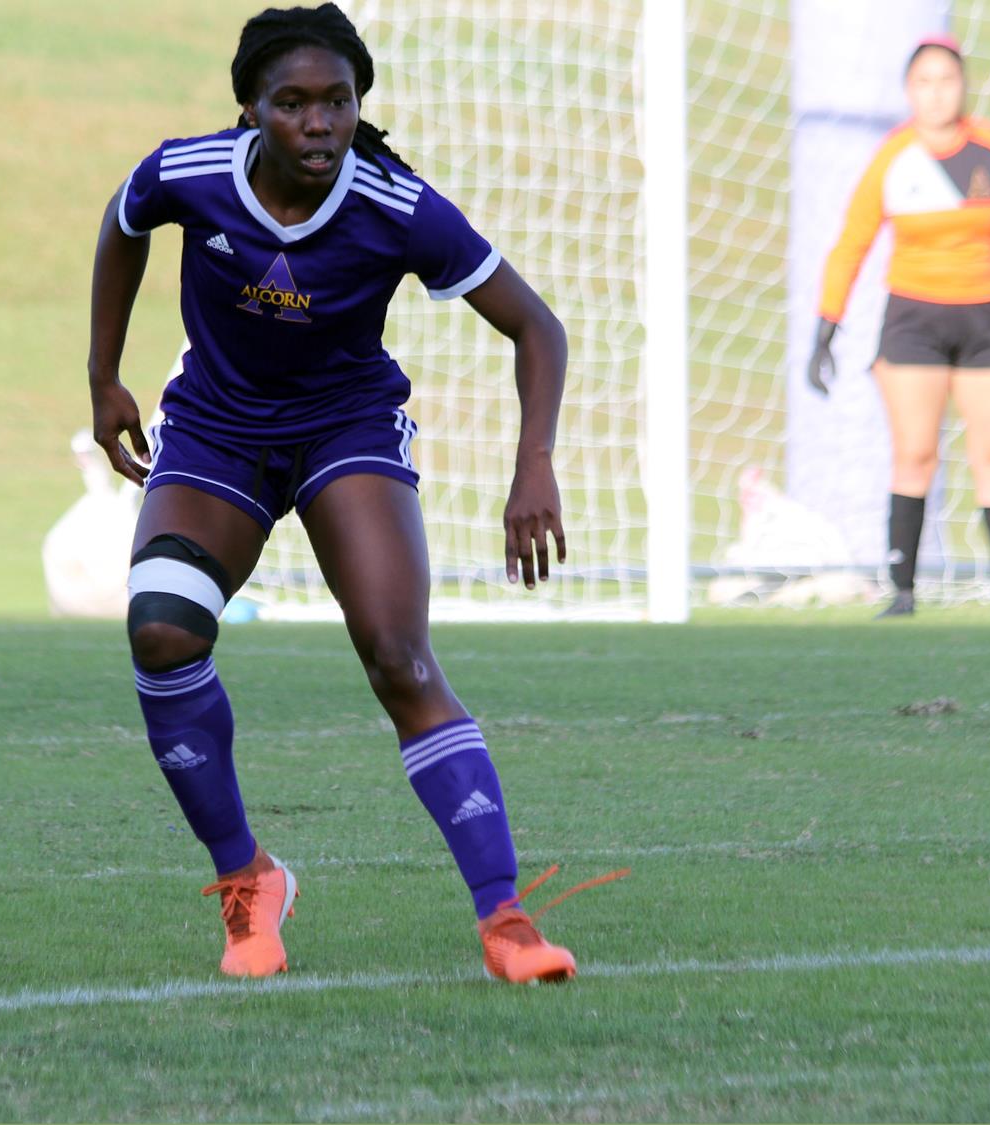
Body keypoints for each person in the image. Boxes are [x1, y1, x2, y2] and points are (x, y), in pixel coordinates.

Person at [86, 3, 612, 984]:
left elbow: (536, 326)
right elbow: (122, 225)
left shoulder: (396, 207)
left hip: (344, 430)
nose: (318, 122)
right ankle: (248, 881)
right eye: (292, 103)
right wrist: (101, 375)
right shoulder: (188, 174)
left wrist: (531, 465)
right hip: (216, 428)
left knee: (397, 659)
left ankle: (505, 922)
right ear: (250, 110)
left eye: (337, 100)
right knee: (160, 629)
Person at [807, 34, 990, 616]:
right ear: (909, 91)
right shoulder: (892, 157)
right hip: (913, 324)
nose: (936, 94)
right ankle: (902, 594)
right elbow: (851, 245)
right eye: (924, 83)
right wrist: (825, 329)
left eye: (946, 80)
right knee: (914, 454)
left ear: (964, 85)